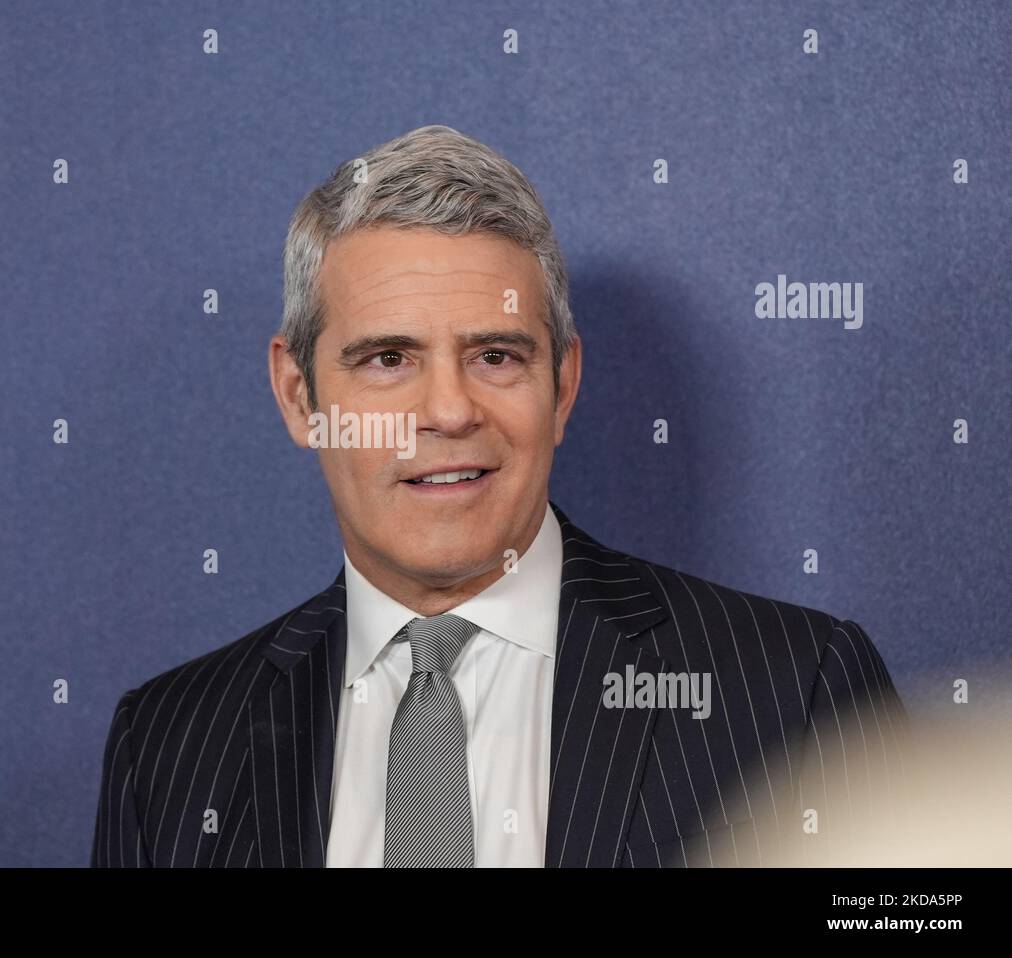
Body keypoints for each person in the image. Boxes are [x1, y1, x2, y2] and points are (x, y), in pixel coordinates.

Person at [91, 125, 908, 868]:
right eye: (387, 359)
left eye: (495, 356)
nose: (448, 411)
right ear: (301, 398)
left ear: (563, 387)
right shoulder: (167, 746)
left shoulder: (797, 693)